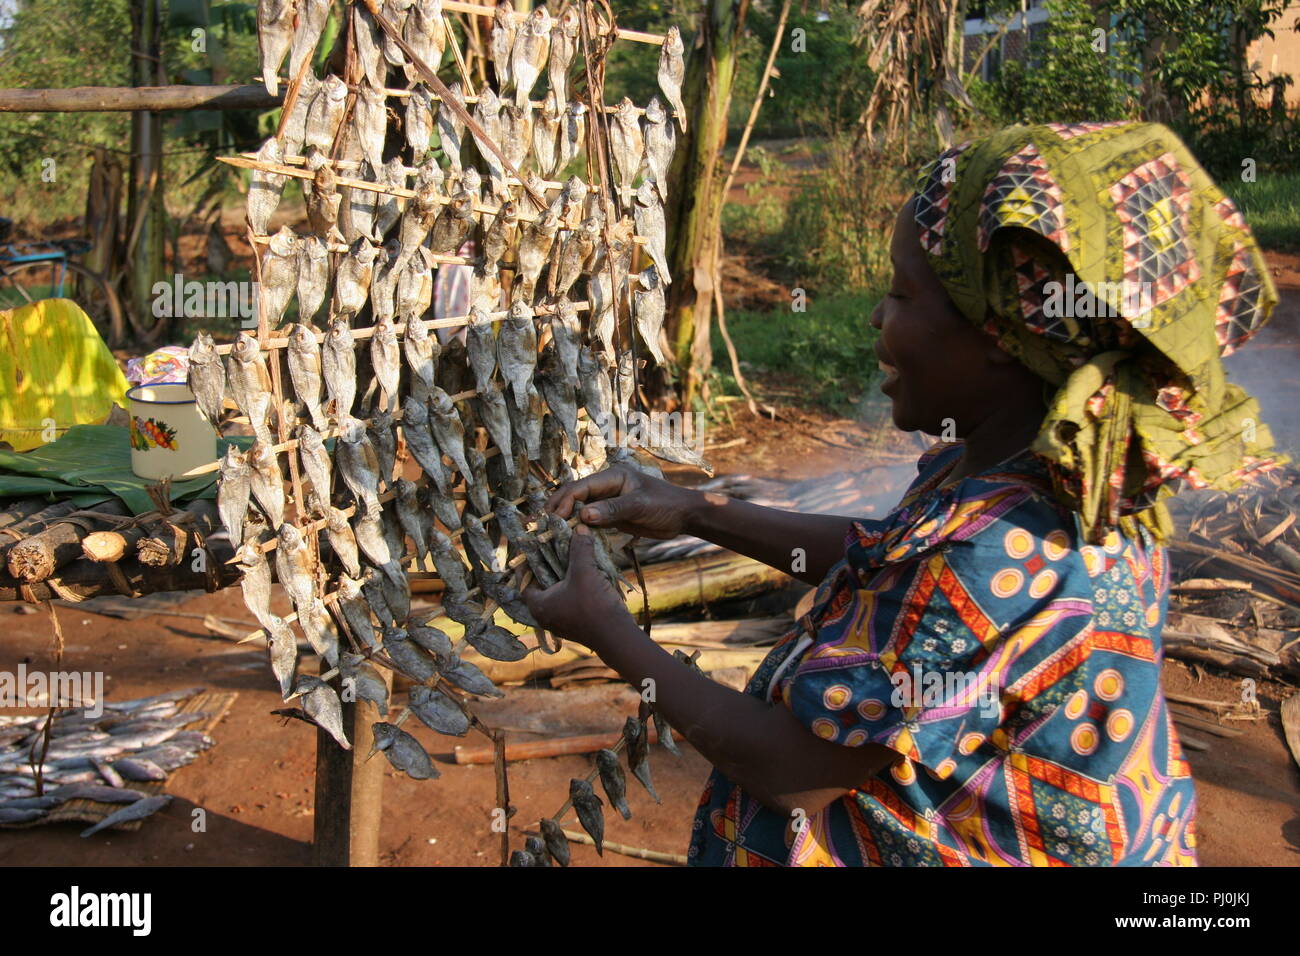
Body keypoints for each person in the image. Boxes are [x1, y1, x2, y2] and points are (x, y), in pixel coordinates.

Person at [523, 122, 1284, 867]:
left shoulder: (999, 548)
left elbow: (795, 773)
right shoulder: (1062, 468)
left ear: (1000, 334)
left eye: (901, 293)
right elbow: (892, 563)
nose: (877, 318)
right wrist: (691, 509)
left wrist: (609, 632)